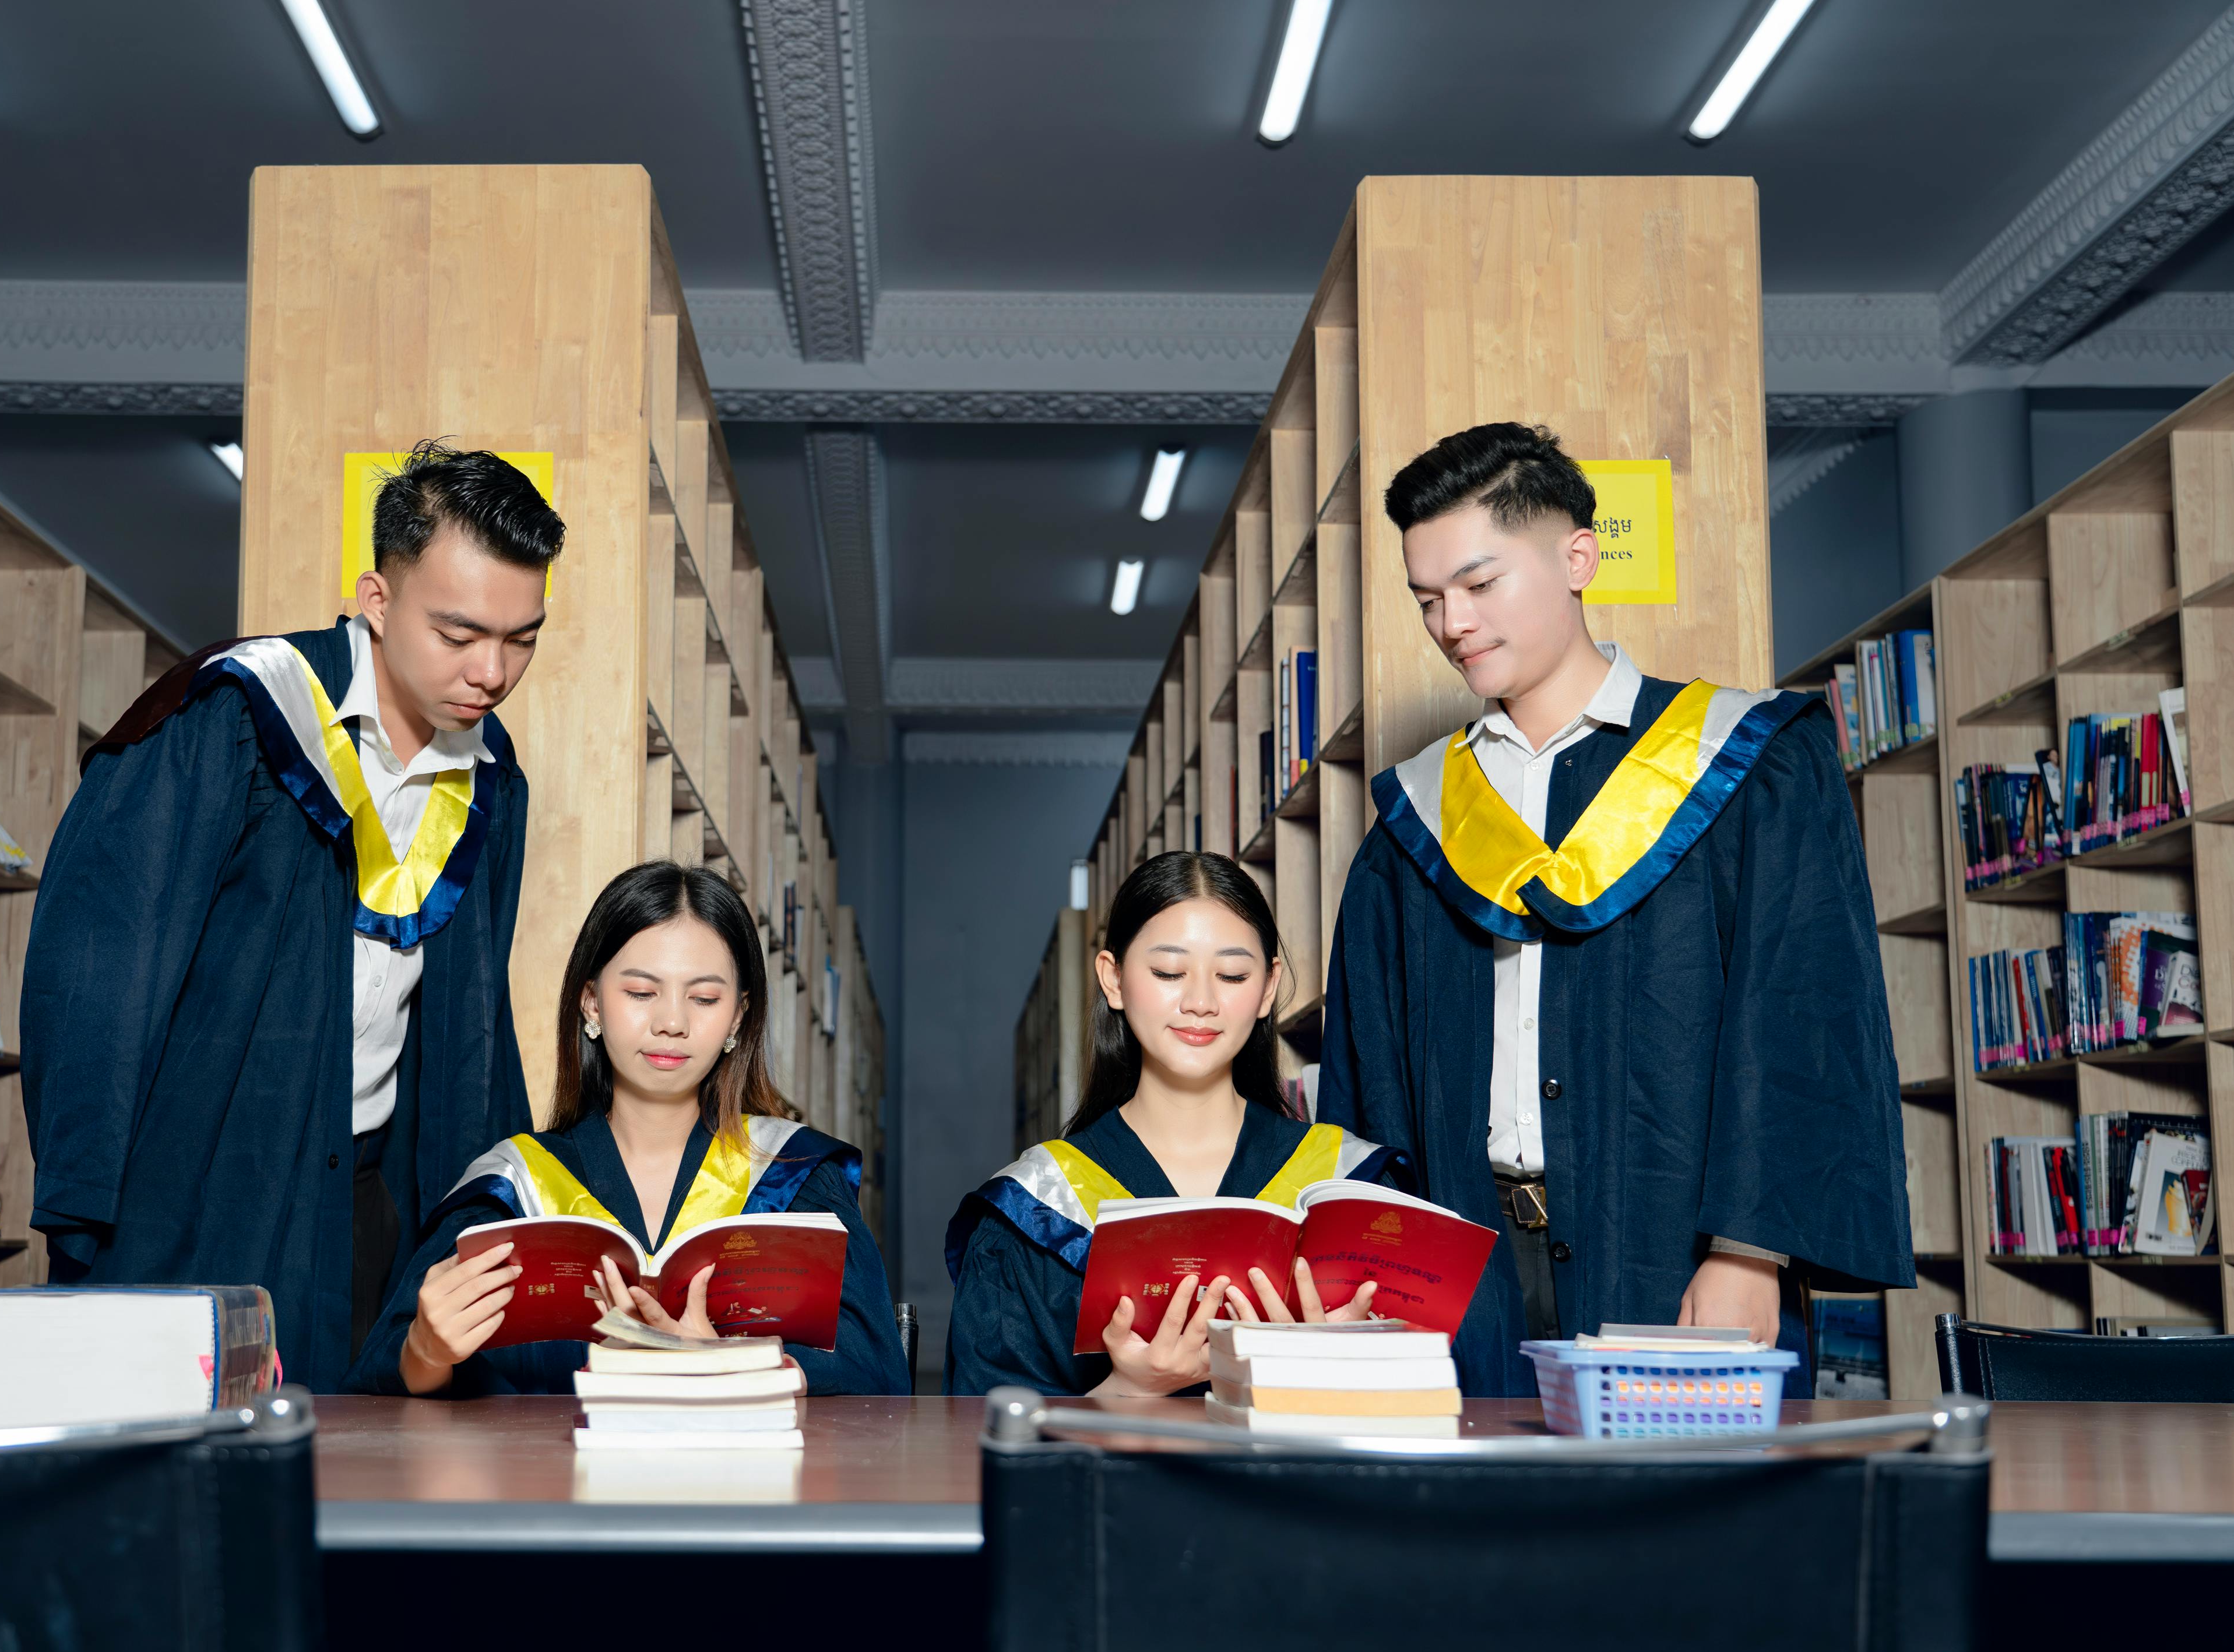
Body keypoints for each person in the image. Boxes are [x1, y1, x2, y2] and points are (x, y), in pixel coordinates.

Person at [1319, 421, 1913, 1397]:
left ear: (1578, 558)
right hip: (1462, 1263)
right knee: (1467, 1541)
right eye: (1427, 599)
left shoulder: (1749, 763)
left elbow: (1804, 1018)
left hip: (1675, 1252)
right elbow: (1369, 1074)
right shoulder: (1412, 823)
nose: (1451, 622)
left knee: (1684, 1538)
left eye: (1479, 583)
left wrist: (1751, 1251)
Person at [22, 442, 560, 1393]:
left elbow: (478, 1018)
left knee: (364, 1474)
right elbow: (100, 976)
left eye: (522, 638)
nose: (492, 671)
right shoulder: (232, 719)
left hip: (370, 1194)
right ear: (377, 600)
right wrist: (86, 1215)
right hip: (201, 1182)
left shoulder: (491, 782)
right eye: (460, 632)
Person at [350, 860, 907, 1396]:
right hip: (551, 1485)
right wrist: (425, 1352)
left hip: (740, 1486)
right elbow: (389, 1372)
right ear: (591, 1002)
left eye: (705, 998)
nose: (671, 1022)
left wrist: (730, 1364)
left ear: (738, 1017)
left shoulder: (797, 1182)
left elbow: (879, 1373)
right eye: (641, 993)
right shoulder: (510, 1193)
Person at [945, 851, 1399, 1397]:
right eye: (1168, 972)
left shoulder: (1351, 1189)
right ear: (1113, 979)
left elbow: (1428, 1416)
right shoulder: (1034, 1209)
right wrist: (1129, 1390)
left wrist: (1342, 1368)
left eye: (1232, 975)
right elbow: (984, 1441)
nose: (1201, 1002)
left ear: (1268, 987)